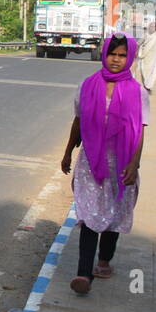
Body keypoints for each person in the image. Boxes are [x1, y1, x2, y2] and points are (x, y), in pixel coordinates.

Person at [60, 32, 149, 294]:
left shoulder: (137, 92)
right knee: (88, 215)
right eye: (112, 54)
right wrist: (67, 152)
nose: (116, 60)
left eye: (122, 55)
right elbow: (79, 121)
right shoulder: (87, 85)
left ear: (130, 57)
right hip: (91, 160)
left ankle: (105, 259)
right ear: (104, 54)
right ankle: (83, 275)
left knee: (114, 213)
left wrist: (135, 164)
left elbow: (141, 130)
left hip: (121, 162)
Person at [132, 23, 156, 91]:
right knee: (143, 71)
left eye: (154, 27)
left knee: (153, 72)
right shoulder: (145, 34)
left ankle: (148, 86)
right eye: (151, 26)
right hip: (144, 56)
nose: (152, 28)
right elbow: (138, 44)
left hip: (154, 58)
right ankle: (142, 85)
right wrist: (136, 52)